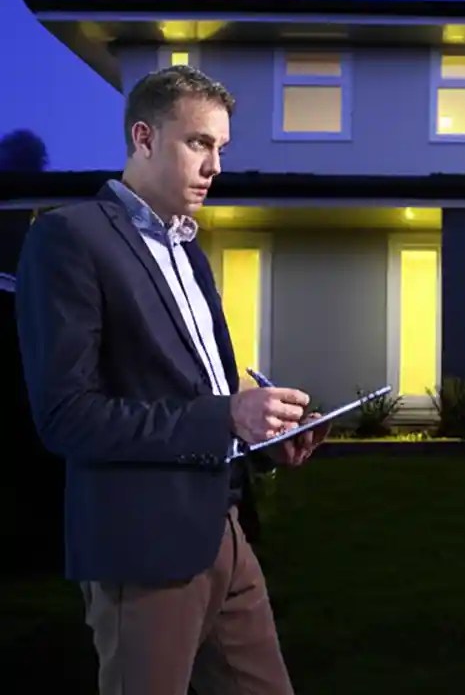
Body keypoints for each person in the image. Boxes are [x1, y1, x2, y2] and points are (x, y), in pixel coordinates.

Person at [15, 64, 328, 694]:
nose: (215, 166)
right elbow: (67, 414)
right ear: (144, 138)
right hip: (143, 549)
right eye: (199, 143)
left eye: (221, 148)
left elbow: (203, 398)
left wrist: (260, 434)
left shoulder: (190, 254)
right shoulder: (69, 238)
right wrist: (225, 419)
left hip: (228, 534)